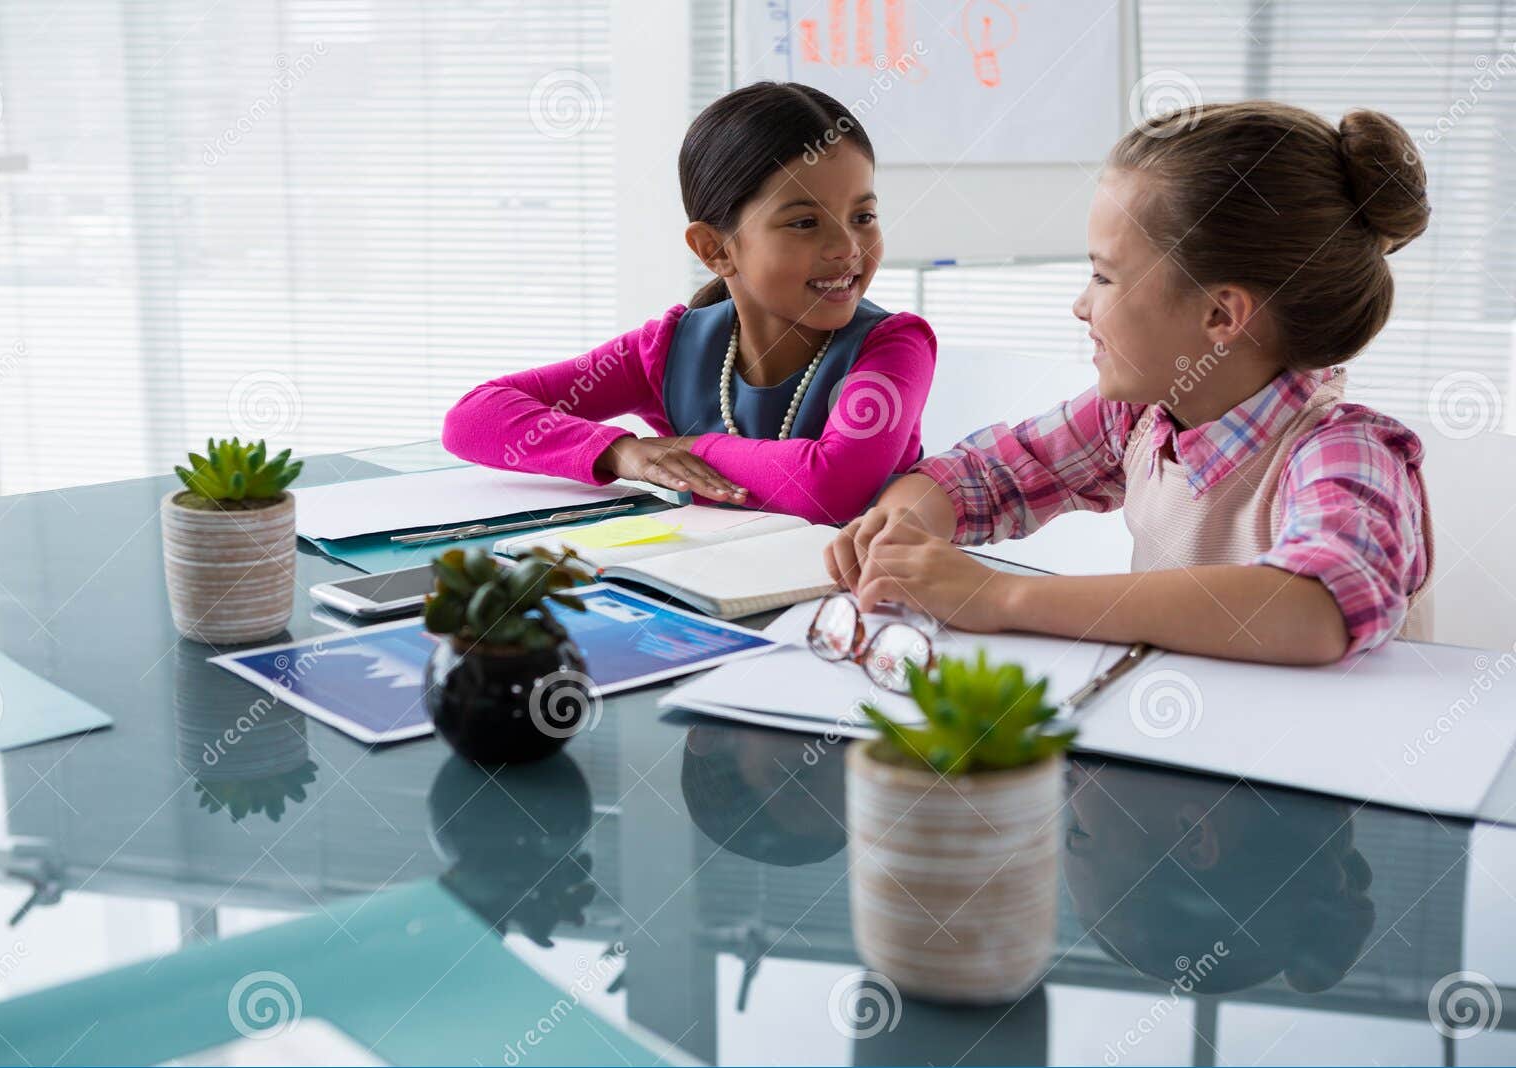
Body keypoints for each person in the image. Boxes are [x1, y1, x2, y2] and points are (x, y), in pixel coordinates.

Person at [827, 102, 1434, 663]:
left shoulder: (1345, 451)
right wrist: (902, 529)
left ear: (1220, 316)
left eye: (1104, 277)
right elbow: (980, 478)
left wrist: (1001, 598)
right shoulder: (1140, 416)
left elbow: (1317, 607)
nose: (1080, 304)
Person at [443, 81, 936, 525]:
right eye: (805, 222)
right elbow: (473, 417)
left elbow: (830, 488)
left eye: (863, 216)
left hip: (864, 609)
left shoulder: (895, 346)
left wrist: (681, 450)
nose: (847, 247)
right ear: (714, 249)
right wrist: (619, 451)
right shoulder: (667, 350)